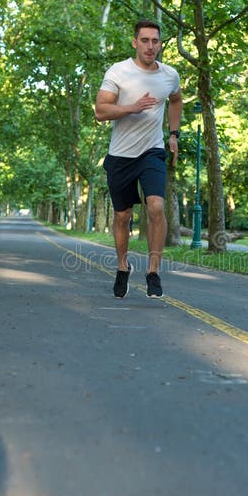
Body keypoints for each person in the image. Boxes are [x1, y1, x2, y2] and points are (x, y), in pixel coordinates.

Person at [95, 19, 183, 298]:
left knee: (156, 206)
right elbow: (100, 110)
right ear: (135, 43)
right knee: (123, 216)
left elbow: (176, 100)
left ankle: (153, 271)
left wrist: (173, 134)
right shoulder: (119, 71)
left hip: (152, 151)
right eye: (144, 40)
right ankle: (123, 267)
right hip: (120, 155)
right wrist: (132, 107)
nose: (150, 46)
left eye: (155, 41)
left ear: (160, 44)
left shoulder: (169, 75)